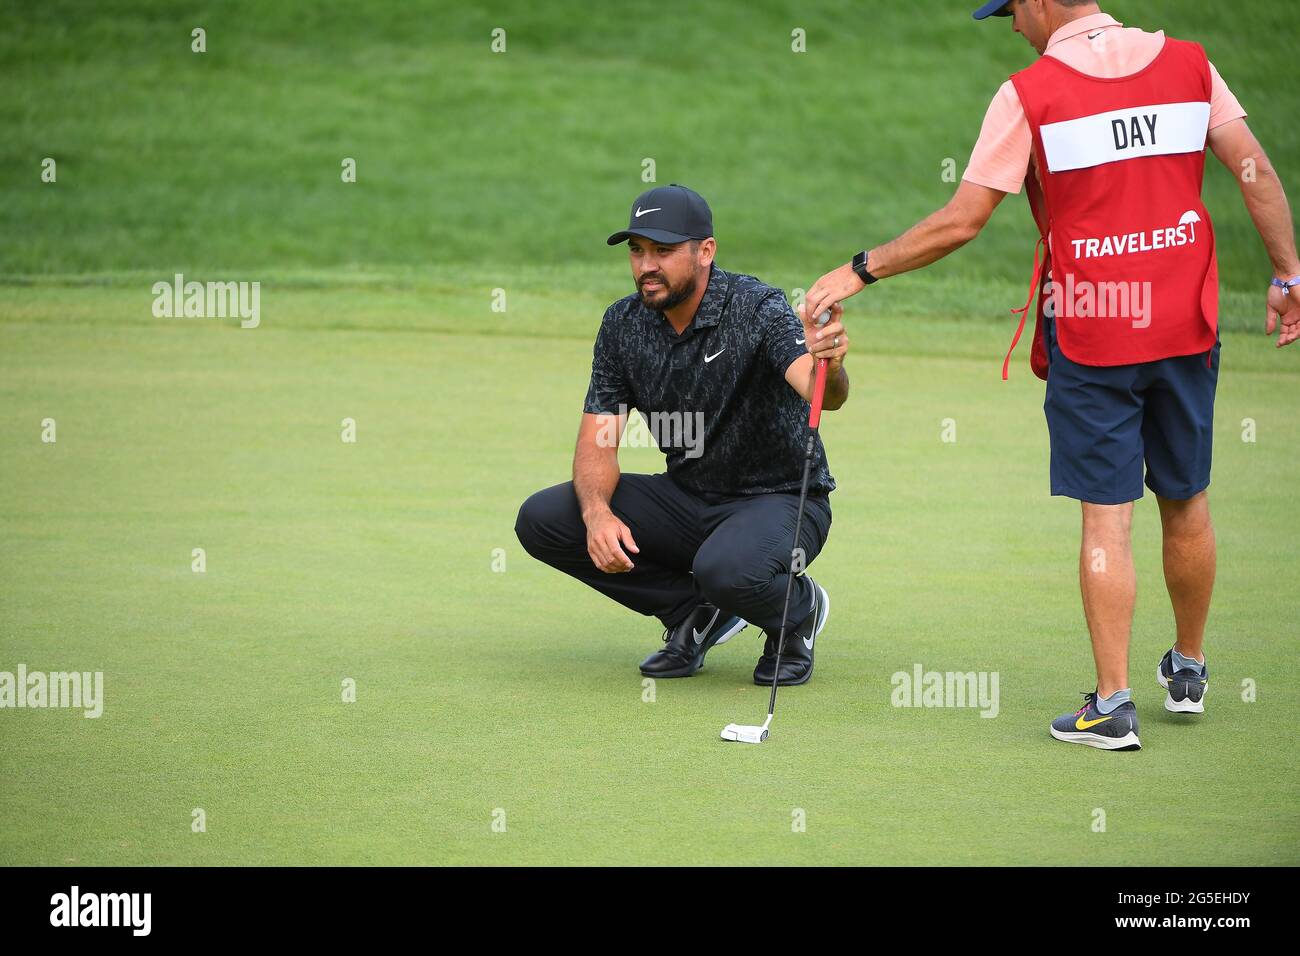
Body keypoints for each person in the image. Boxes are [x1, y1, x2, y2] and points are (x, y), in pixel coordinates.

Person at [802, 0, 1300, 750]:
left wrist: (859, 269)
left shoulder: (1029, 92)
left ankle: (1112, 705)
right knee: (1187, 495)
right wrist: (1290, 275)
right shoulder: (1189, 63)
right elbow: (1252, 169)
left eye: (1010, 10)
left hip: (1095, 327)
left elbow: (962, 220)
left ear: (1037, 2)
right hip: (1183, 319)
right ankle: (1190, 670)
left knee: (1108, 515)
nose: (1010, 25)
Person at [516, 184, 850, 685]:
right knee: (545, 519)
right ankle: (696, 612)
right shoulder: (623, 324)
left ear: (706, 251)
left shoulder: (756, 307)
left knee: (727, 569)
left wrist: (830, 363)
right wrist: (598, 514)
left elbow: (822, 391)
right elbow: (598, 441)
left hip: (779, 499)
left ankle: (797, 611)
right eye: (637, 250)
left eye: (664, 251)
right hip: (688, 498)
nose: (646, 265)